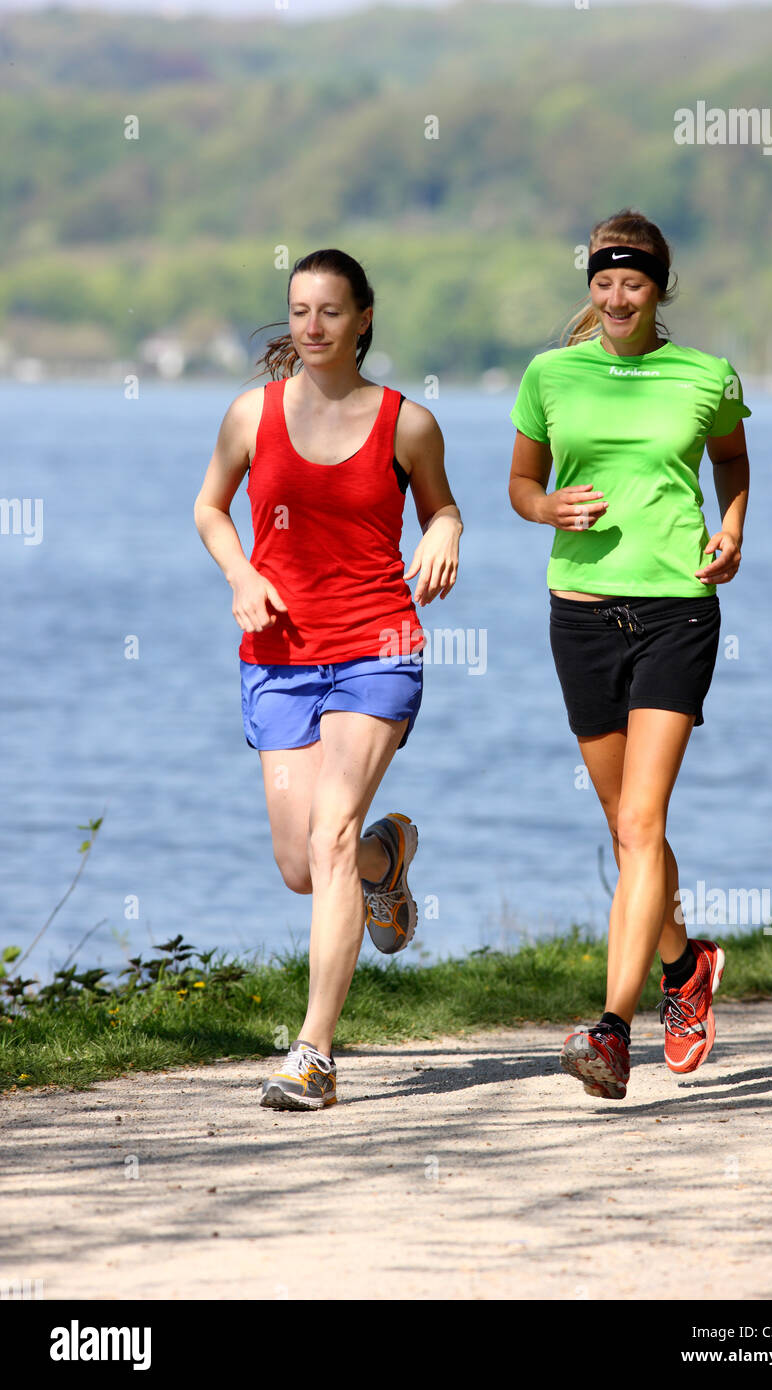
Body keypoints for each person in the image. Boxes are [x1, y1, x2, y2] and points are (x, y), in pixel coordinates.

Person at [194, 248, 462, 1110]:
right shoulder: (250, 414)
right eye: (300, 310)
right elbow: (210, 507)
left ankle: (313, 1053)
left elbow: (441, 504)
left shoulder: (405, 423)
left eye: (331, 312)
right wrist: (241, 574)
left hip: (379, 647)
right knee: (302, 863)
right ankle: (389, 856)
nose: (312, 327)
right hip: (278, 658)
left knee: (330, 834)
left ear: (364, 320)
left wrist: (443, 532)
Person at [508, 209, 751, 1100]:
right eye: (604, 282)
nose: (617, 297)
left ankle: (612, 1031)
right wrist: (547, 511)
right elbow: (520, 484)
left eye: (634, 283)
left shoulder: (705, 375)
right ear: (590, 286)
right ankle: (686, 965)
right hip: (578, 615)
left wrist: (730, 526)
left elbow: (731, 456)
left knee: (642, 824)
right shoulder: (551, 374)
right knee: (623, 829)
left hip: (678, 611)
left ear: (660, 289)